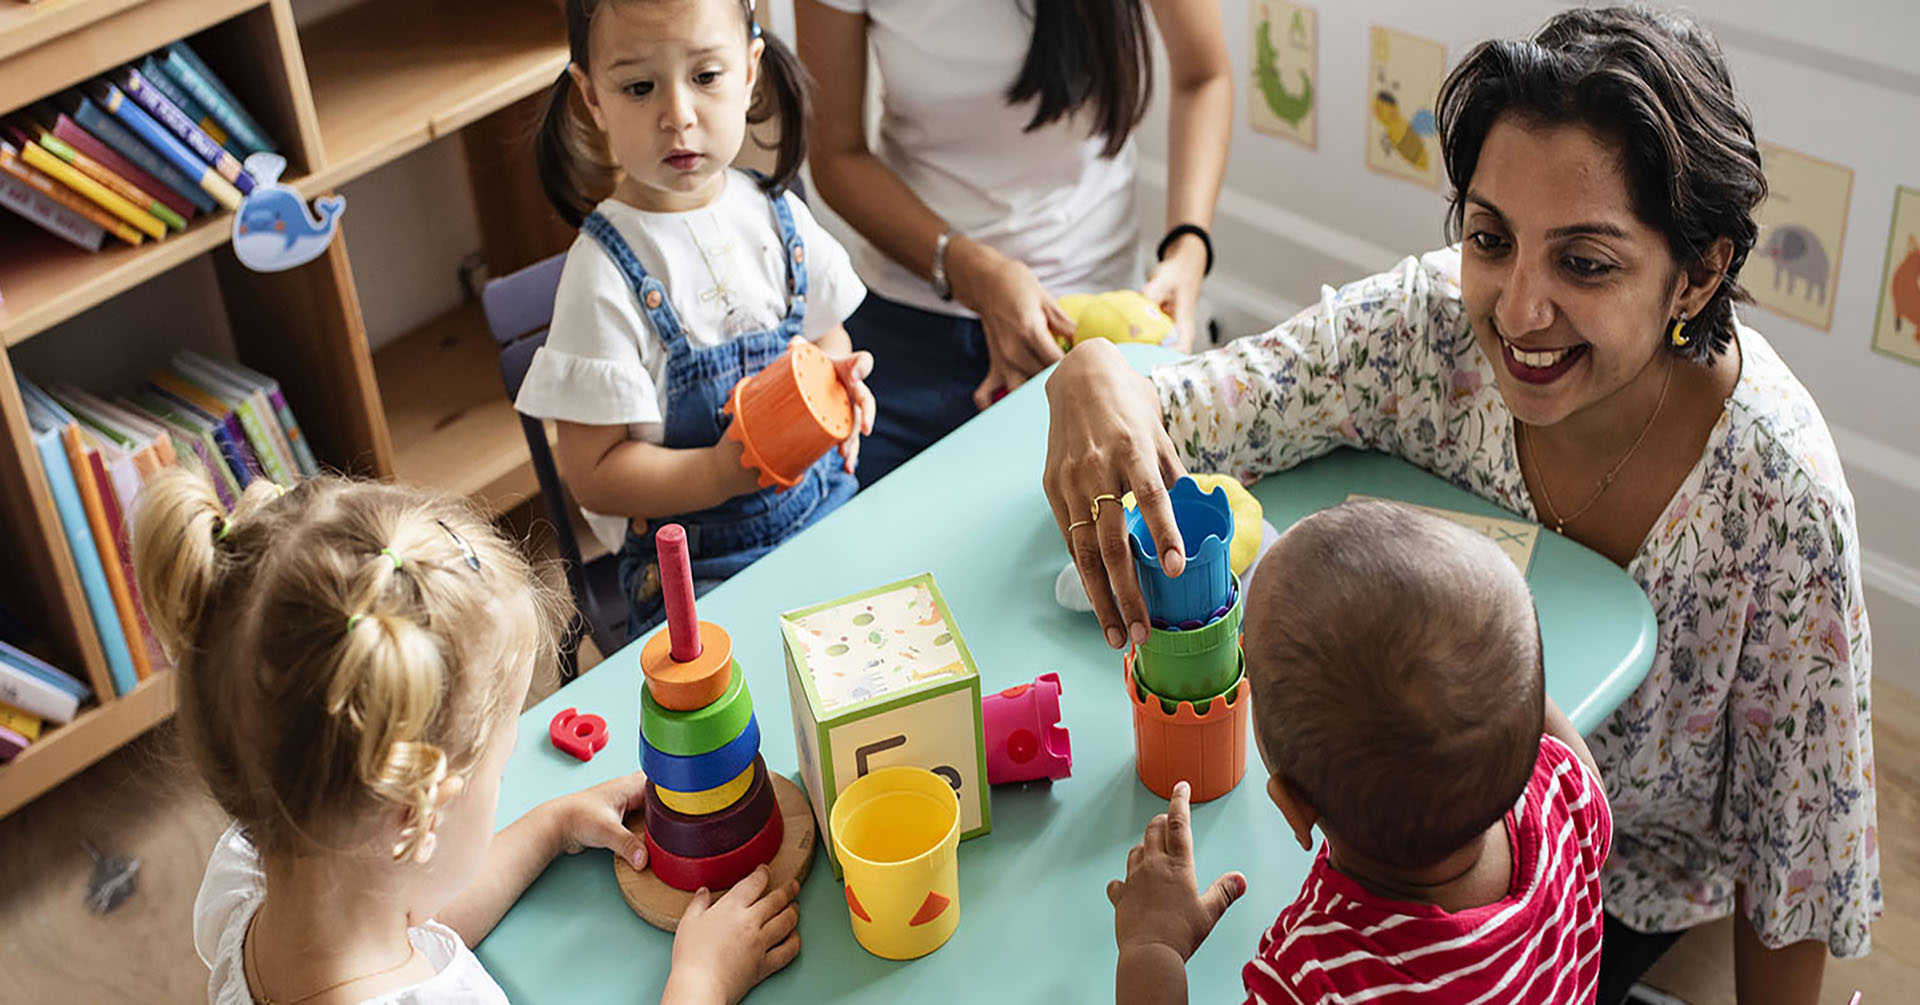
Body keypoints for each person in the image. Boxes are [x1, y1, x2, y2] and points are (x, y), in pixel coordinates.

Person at [1046, 8, 1876, 1003]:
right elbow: (1199, 411)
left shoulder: (1780, 499)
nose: (1518, 311)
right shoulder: (1423, 331)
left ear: (1697, 273)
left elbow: (1801, 848)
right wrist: (1092, 373)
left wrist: (1148, 958)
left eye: (1585, 261)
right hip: (1408, 847)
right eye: (1490, 238)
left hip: (1617, 895)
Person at [132, 471, 799, 1004]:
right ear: (415, 813)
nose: (503, 785)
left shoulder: (253, 883)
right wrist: (700, 983)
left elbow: (409, 920)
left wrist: (550, 824)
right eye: (500, 768)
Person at [1107, 500, 1612, 1004]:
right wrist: (1478, 654)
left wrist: (1153, 947)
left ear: (1295, 806)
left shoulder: (1317, 980)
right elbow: (1526, 712)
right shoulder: (1565, 799)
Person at [522, 0, 876, 638]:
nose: (678, 116)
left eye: (706, 77)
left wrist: (838, 383)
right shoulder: (602, 274)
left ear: (749, 70)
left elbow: (825, 335)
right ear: (591, 98)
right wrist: (717, 473)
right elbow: (595, 474)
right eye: (638, 87)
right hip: (701, 570)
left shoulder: (777, 215)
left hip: (824, 506)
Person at [795, 0, 1231, 486]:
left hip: (1095, 321)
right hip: (910, 319)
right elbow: (835, 154)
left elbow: (1203, 77)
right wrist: (972, 272)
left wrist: (1189, 248)